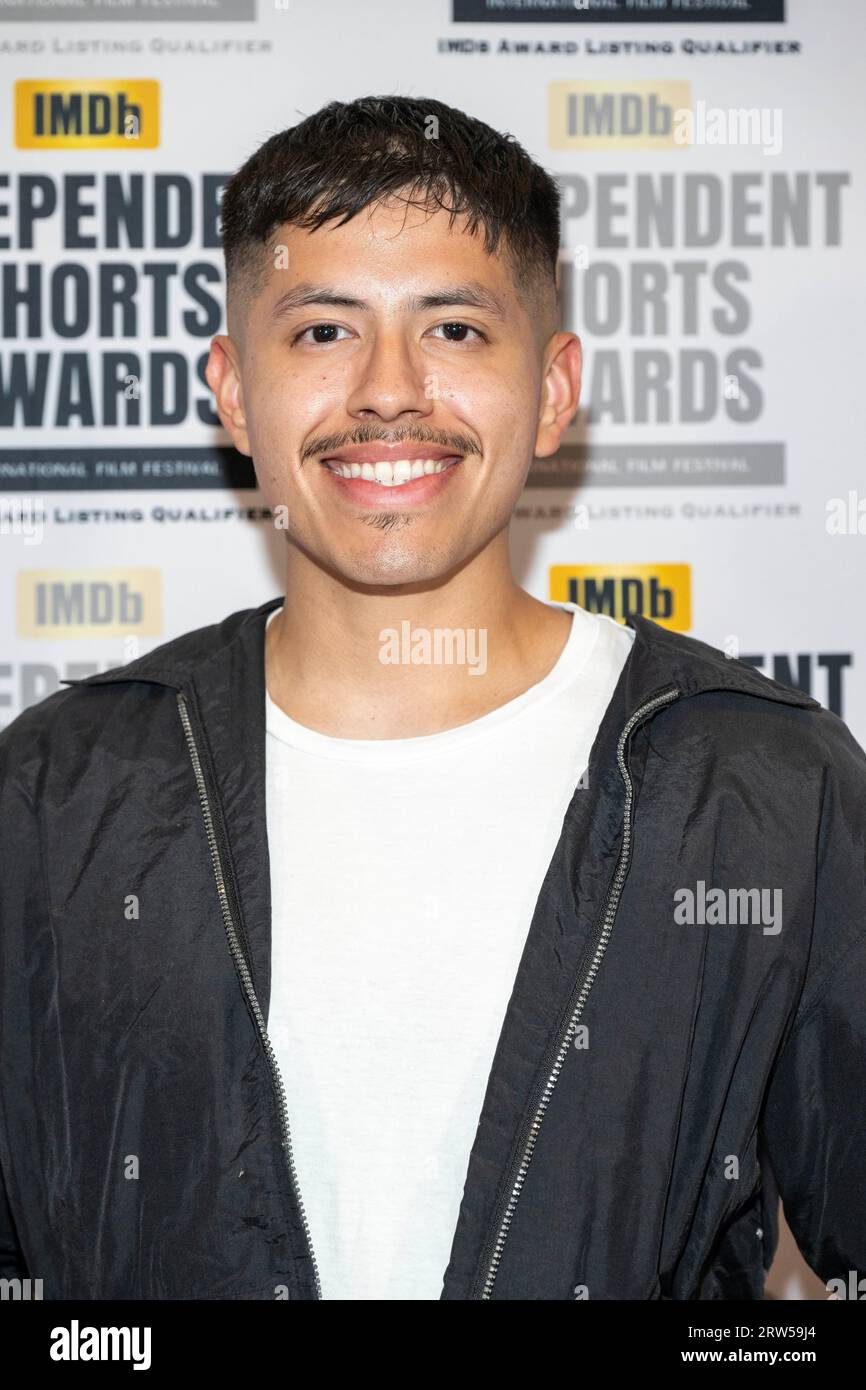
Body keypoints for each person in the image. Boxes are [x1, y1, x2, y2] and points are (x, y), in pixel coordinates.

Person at [1, 95, 864, 1302]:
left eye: (453, 329)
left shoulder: (767, 789)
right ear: (233, 391)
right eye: (320, 334)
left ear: (554, 390)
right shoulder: (52, 799)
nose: (388, 391)